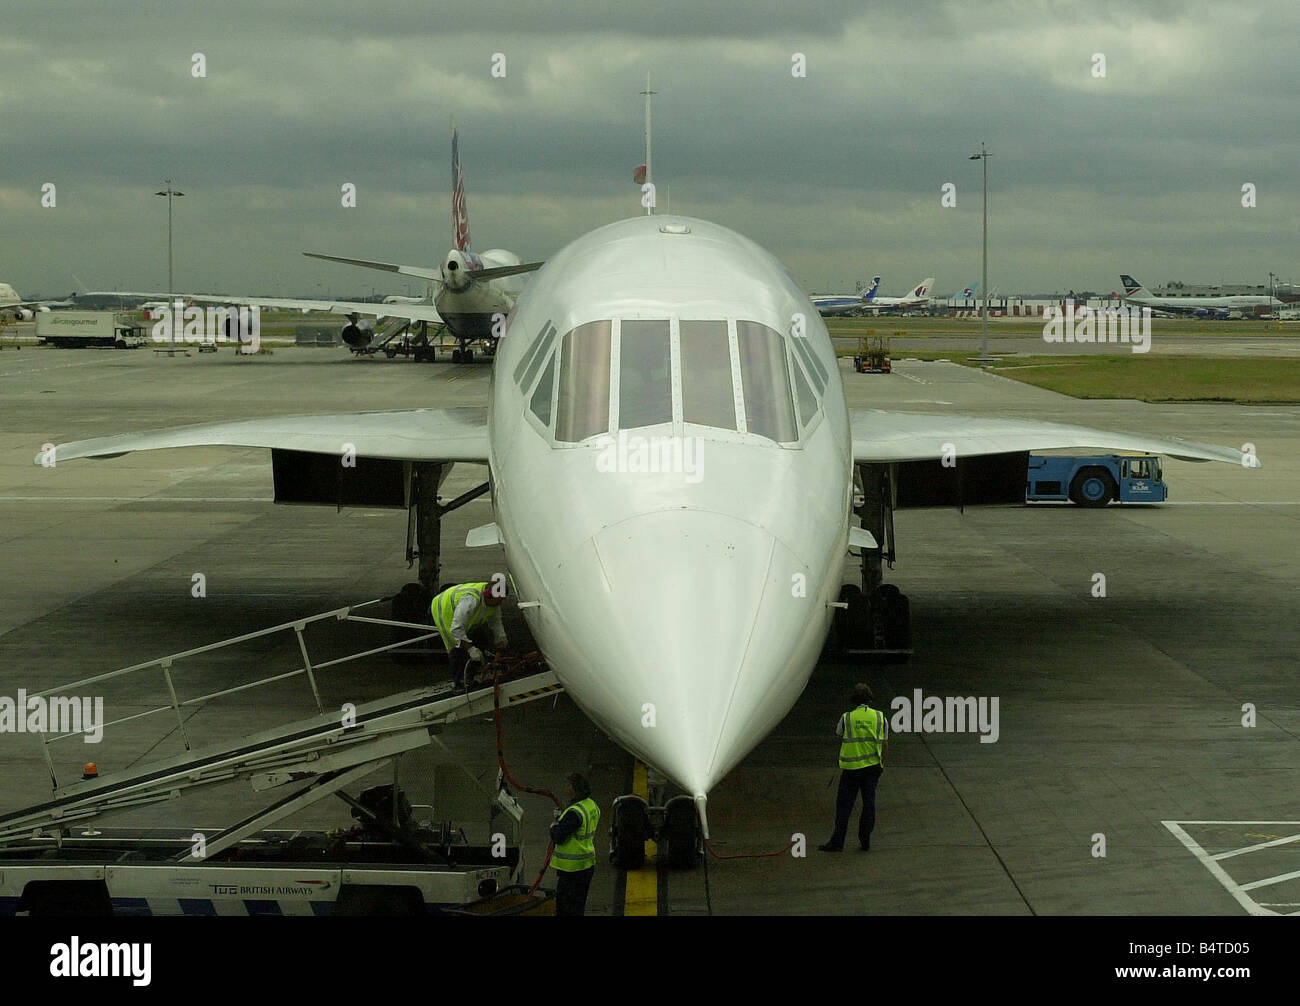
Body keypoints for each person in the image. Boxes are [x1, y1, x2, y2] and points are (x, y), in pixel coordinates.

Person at [820, 682, 888, 852]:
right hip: (872, 768)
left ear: (853, 700)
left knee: (844, 806)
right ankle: (865, 840)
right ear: (870, 699)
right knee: (869, 803)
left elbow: (838, 733)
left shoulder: (847, 718)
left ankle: (838, 842)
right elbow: (884, 743)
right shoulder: (880, 717)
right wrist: (882, 764)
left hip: (851, 769)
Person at [429, 579, 508, 689]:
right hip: (443, 608)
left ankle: (473, 674)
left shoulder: (494, 602)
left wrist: (501, 642)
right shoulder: (470, 600)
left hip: (464, 615)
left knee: (480, 638)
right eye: (499, 600)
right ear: (488, 595)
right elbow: (456, 630)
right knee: (456, 647)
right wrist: (471, 649)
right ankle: (459, 683)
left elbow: (496, 623)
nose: (500, 604)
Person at [550, 772, 600, 916]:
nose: (566, 788)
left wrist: (554, 825)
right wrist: (563, 817)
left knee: (565, 908)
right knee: (578, 906)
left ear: (574, 789)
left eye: (568, 785)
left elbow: (558, 836)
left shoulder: (574, 813)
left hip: (572, 869)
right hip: (586, 864)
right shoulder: (591, 805)